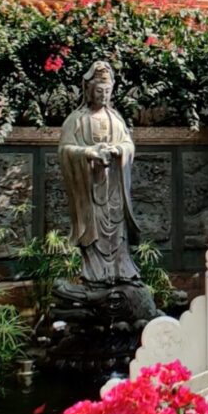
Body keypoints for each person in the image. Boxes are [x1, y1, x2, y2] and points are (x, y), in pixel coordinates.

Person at [57, 62, 141, 285]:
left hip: (113, 187)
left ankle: (121, 272)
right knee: (92, 231)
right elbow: (65, 150)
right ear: (88, 90)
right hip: (90, 189)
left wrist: (118, 150)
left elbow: (128, 145)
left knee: (117, 231)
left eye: (107, 91)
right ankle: (94, 275)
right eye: (99, 91)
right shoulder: (77, 120)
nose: (103, 95)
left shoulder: (115, 118)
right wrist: (88, 153)